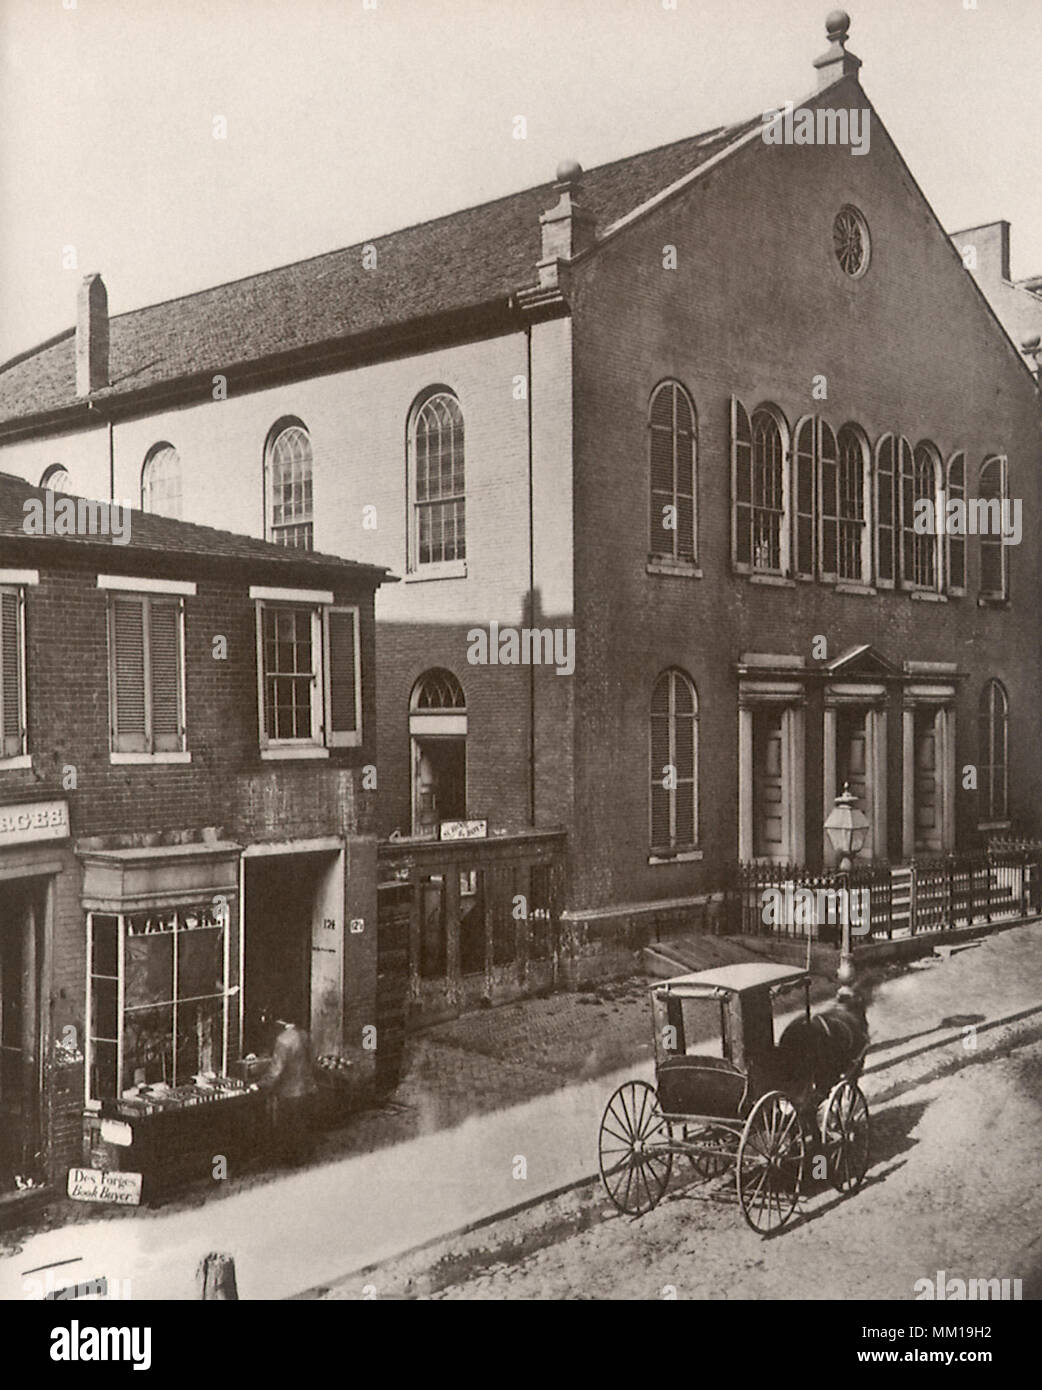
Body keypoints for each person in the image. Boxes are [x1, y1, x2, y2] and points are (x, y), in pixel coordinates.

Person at [254, 1016, 318, 1166]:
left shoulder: (282, 1040)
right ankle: (304, 1156)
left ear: (279, 1024)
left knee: (288, 1126)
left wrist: (260, 1085)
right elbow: (312, 1061)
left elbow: (276, 1070)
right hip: (306, 1087)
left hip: (289, 1091)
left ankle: (292, 1160)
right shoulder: (304, 1035)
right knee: (302, 1123)